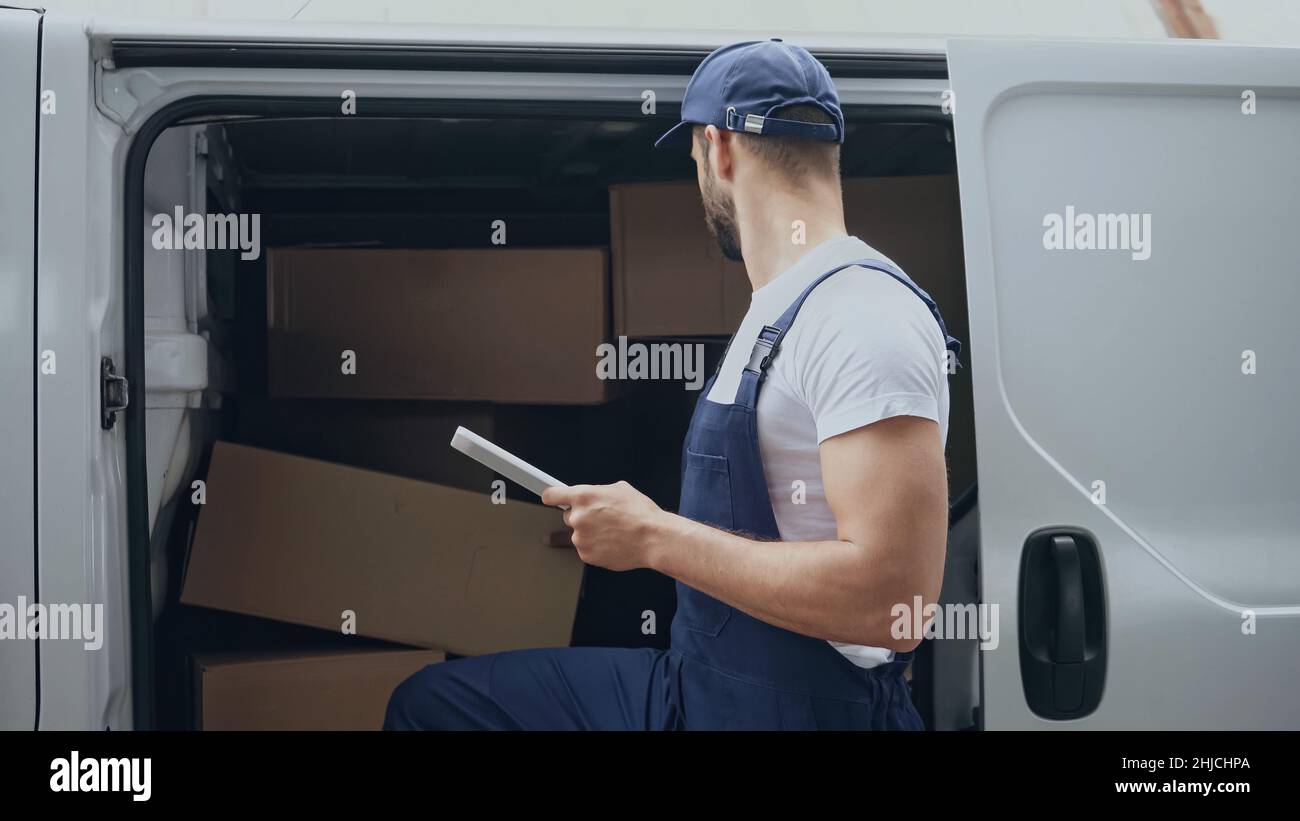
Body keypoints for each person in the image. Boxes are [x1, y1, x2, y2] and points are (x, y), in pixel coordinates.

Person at [385, 38, 961, 730]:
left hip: (796, 713)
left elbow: (892, 602)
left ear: (719, 149)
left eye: (694, 158)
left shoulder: (861, 316)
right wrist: (623, 527)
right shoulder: (780, 307)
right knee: (435, 707)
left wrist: (655, 537)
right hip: (703, 687)